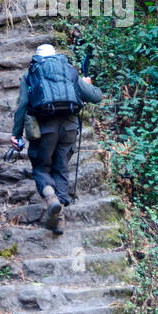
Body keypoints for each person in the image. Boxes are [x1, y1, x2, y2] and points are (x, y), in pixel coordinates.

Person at [10, 44, 103, 234]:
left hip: (44, 128)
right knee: (61, 167)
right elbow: (96, 97)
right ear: (55, 56)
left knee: (41, 167)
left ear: (37, 58)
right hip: (69, 127)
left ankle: (51, 198)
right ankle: (59, 218)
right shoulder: (69, 71)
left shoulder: (30, 74)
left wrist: (16, 134)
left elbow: (23, 105)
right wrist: (88, 84)